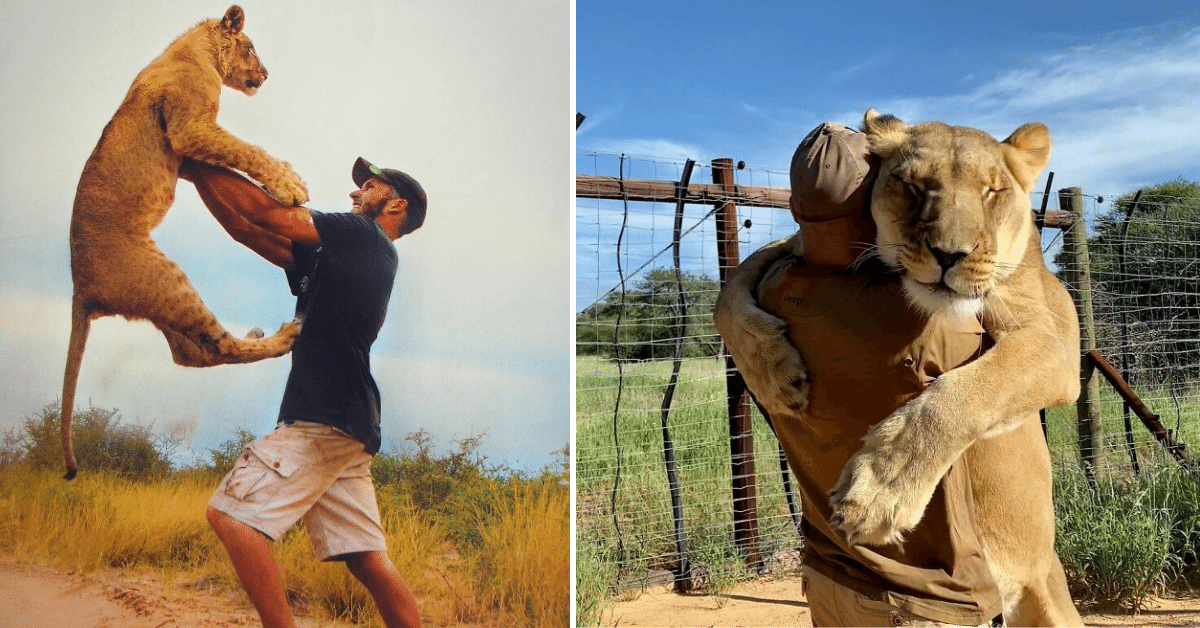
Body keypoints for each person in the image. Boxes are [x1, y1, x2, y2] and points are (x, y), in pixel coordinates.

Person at [722, 124, 1003, 627]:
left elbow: (784, 257)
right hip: (926, 598)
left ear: (793, 208)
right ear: (880, 203)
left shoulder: (761, 303)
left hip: (831, 577)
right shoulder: (926, 321)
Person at [180, 156, 427, 628]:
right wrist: (196, 176)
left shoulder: (364, 236)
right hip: (350, 422)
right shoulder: (347, 254)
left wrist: (197, 160)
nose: (356, 193)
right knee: (367, 559)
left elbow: (272, 214)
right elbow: (250, 231)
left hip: (323, 416)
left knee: (232, 517)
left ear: (396, 205)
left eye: (369, 187)